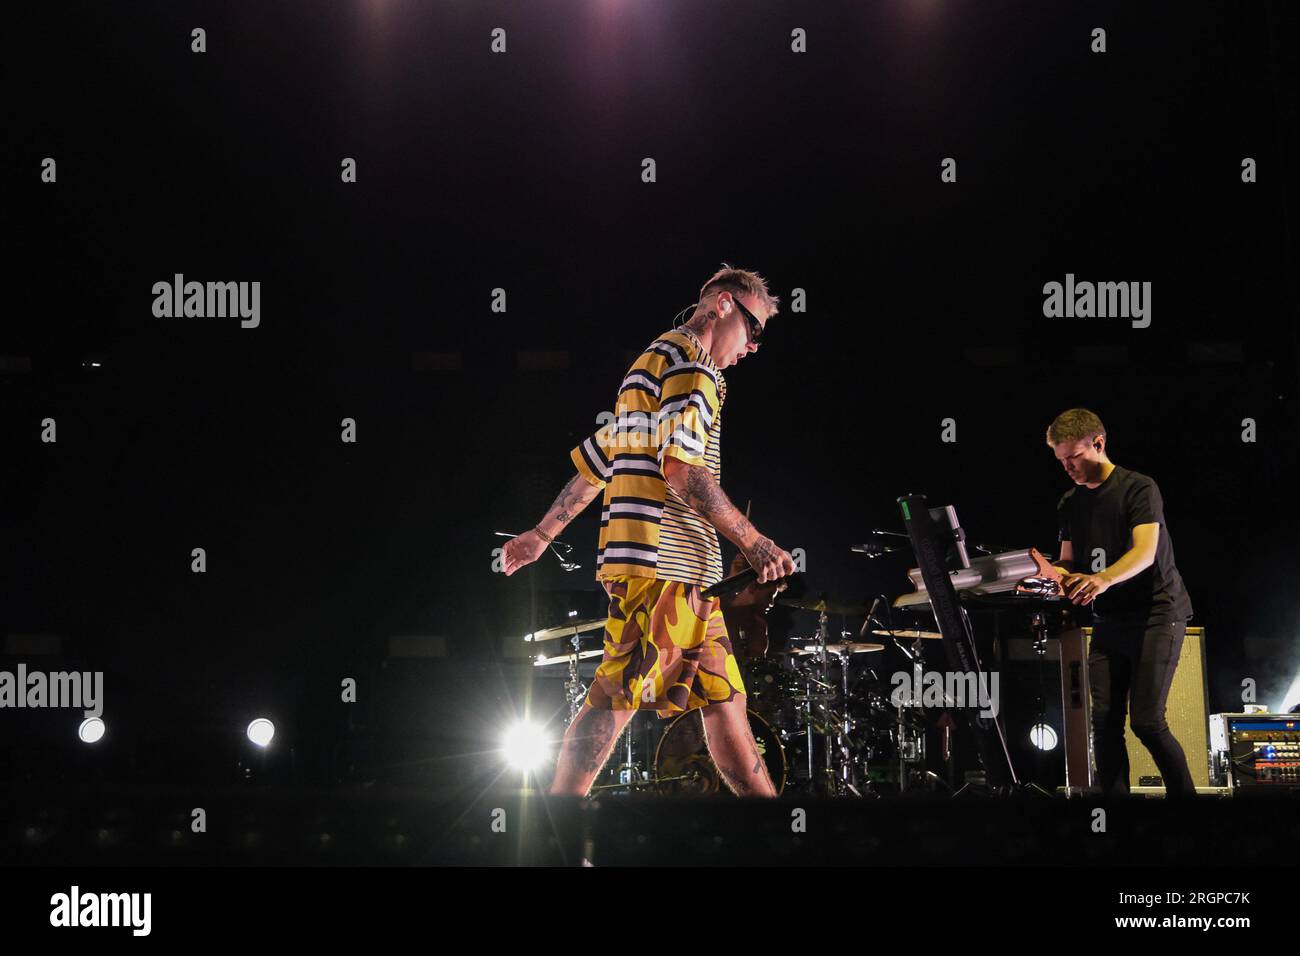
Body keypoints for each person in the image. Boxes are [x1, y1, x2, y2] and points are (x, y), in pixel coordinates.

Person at [504, 264, 796, 796]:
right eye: (753, 329)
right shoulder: (697, 367)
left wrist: (541, 534)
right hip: (663, 564)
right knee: (613, 700)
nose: (753, 347)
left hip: (686, 573)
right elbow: (681, 468)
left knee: (726, 704)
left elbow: (602, 462)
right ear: (724, 305)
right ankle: (557, 825)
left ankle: (771, 825)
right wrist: (754, 542)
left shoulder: (652, 363)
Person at [1047, 408, 1196, 797]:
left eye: (1074, 457)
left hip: (1157, 613)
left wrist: (1101, 579)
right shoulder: (1069, 502)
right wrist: (1045, 577)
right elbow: (1067, 562)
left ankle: (1190, 808)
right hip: (1109, 618)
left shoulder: (1138, 488)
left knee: (1147, 722)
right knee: (1104, 723)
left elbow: (1145, 552)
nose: (1067, 467)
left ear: (1098, 443)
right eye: (1061, 460)